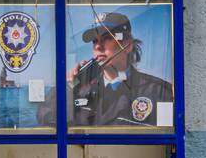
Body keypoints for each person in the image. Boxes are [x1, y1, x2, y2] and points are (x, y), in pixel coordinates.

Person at [39, 12, 172, 127]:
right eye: (94, 41)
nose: (97, 47)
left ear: (127, 45)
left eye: (107, 38)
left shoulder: (157, 91)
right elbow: (46, 119)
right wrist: (68, 85)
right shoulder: (80, 89)